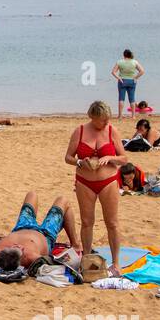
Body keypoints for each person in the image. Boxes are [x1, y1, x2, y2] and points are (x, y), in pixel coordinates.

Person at [65, 101, 125, 277]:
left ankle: (116, 263)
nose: (106, 123)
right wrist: (79, 162)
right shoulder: (80, 131)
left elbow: (124, 158)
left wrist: (109, 157)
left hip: (108, 181)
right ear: (93, 117)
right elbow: (68, 157)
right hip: (85, 181)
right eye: (103, 120)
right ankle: (88, 258)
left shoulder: (112, 130)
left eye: (107, 120)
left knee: (112, 223)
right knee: (86, 221)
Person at [0, 191, 79, 271]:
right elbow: (57, 263)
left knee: (32, 194)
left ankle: (64, 224)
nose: (20, 245)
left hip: (22, 226)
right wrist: (65, 252)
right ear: (23, 259)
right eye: (21, 250)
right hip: (45, 234)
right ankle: (76, 244)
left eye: (15, 247)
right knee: (63, 200)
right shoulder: (31, 257)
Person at [111, 49, 144, 118]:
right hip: (132, 81)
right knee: (132, 99)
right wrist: (135, 78)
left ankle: (120, 116)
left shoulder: (120, 62)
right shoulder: (134, 62)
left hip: (122, 81)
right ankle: (133, 116)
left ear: (124, 55)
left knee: (121, 98)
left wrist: (119, 78)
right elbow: (142, 71)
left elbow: (113, 72)